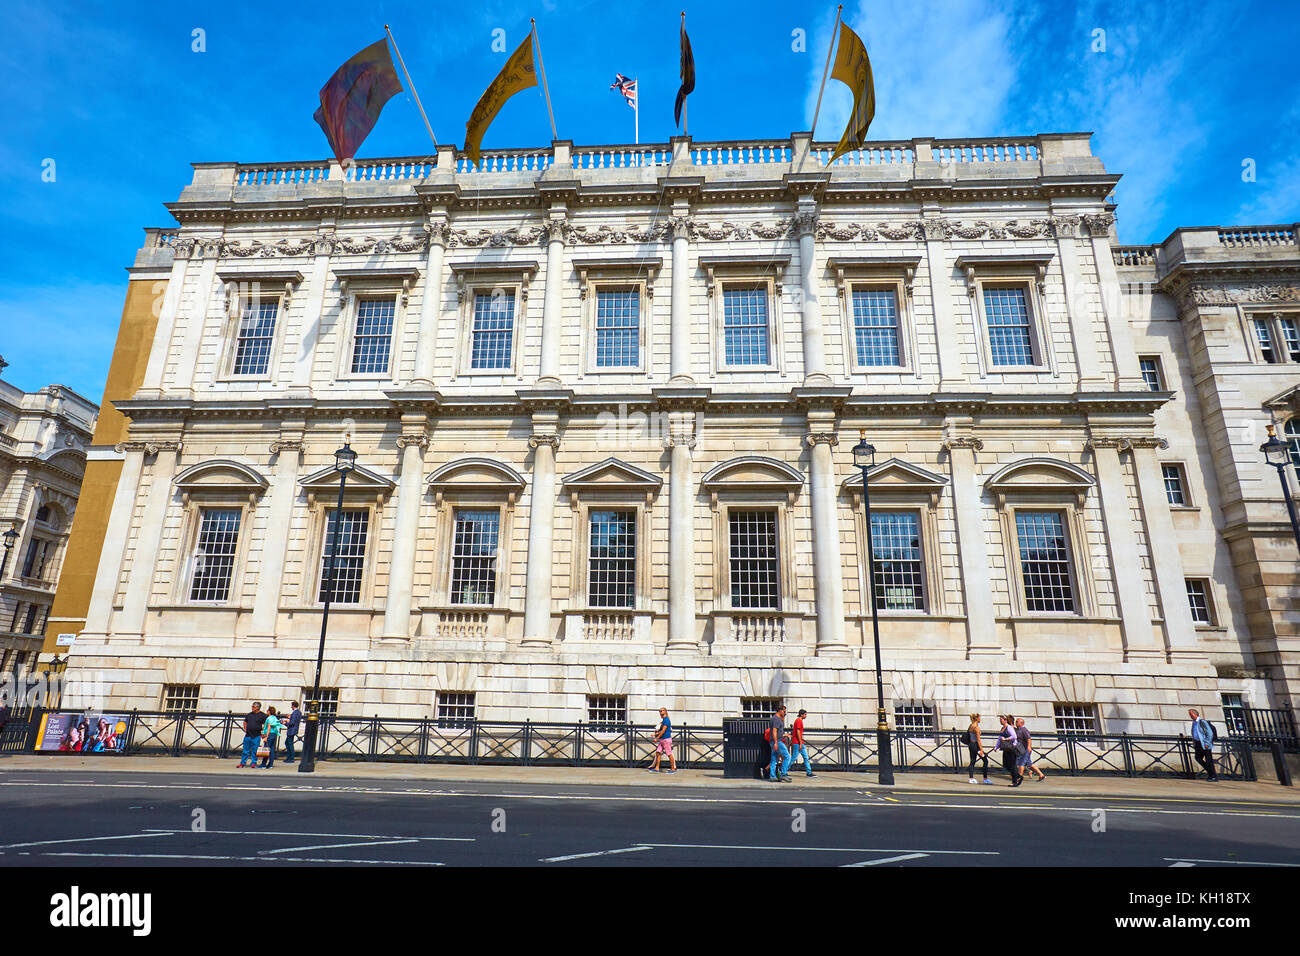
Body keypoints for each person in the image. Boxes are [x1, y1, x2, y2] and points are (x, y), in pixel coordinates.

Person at [1189, 708, 1218, 781]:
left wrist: (1207, 743)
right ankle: (1210, 773)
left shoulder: (1202, 722)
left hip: (1204, 743)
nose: (1190, 716)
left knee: (1208, 760)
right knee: (1198, 757)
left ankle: (1213, 776)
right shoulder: (1194, 723)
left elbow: (1210, 733)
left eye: (1191, 714)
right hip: (1198, 743)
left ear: (1195, 714)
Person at [1015, 717, 1045, 781]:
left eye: (1017, 721)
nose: (1016, 722)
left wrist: (1029, 747)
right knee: (1029, 764)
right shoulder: (1018, 729)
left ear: (1021, 723)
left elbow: (1029, 738)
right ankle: (1041, 774)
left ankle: (1019, 777)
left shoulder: (1024, 730)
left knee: (1021, 763)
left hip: (1025, 749)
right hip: (1021, 749)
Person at [768, 705, 792, 783]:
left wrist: (785, 735)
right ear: (780, 710)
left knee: (774, 759)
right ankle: (783, 774)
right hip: (777, 742)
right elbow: (774, 731)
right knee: (787, 757)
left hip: (774, 741)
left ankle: (772, 776)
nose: (785, 713)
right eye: (784, 711)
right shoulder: (776, 719)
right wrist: (776, 743)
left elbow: (777, 732)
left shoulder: (774, 718)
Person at [649, 707, 677, 773]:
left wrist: (657, 738)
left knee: (669, 754)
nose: (660, 712)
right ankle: (657, 768)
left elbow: (664, 730)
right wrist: (655, 735)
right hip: (662, 739)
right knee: (658, 752)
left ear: (665, 711)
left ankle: (673, 769)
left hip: (666, 739)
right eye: (659, 711)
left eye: (662, 711)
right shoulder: (664, 720)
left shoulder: (666, 720)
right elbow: (662, 731)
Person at [966, 713, 992, 784]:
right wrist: (981, 750)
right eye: (979, 718)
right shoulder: (976, 727)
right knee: (985, 761)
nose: (980, 719)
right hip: (975, 745)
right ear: (976, 718)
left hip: (971, 745)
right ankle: (985, 779)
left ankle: (971, 778)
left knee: (972, 761)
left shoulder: (970, 726)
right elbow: (978, 740)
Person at [997, 714, 1021, 786]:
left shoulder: (1010, 727)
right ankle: (1018, 776)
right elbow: (1000, 738)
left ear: (1005, 720)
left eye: (1001, 719)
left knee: (1012, 764)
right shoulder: (1002, 728)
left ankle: (1015, 781)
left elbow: (1014, 736)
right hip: (1006, 748)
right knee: (1006, 764)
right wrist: (996, 747)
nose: (1000, 721)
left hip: (1012, 748)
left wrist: (1006, 739)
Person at [239, 701, 265, 768]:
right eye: (252, 706)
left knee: (255, 750)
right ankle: (243, 762)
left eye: (254, 706)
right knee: (245, 750)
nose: (252, 708)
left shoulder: (262, 715)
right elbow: (245, 721)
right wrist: (245, 728)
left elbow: (265, 724)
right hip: (248, 735)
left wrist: (263, 732)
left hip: (256, 735)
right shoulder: (249, 714)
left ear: (258, 707)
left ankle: (253, 763)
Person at [789, 708, 814, 778]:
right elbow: (798, 732)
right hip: (797, 743)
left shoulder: (799, 721)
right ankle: (783, 770)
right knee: (793, 758)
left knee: (806, 757)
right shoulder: (798, 721)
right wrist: (800, 743)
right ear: (801, 714)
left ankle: (809, 772)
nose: (806, 716)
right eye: (805, 714)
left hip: (799, 743)